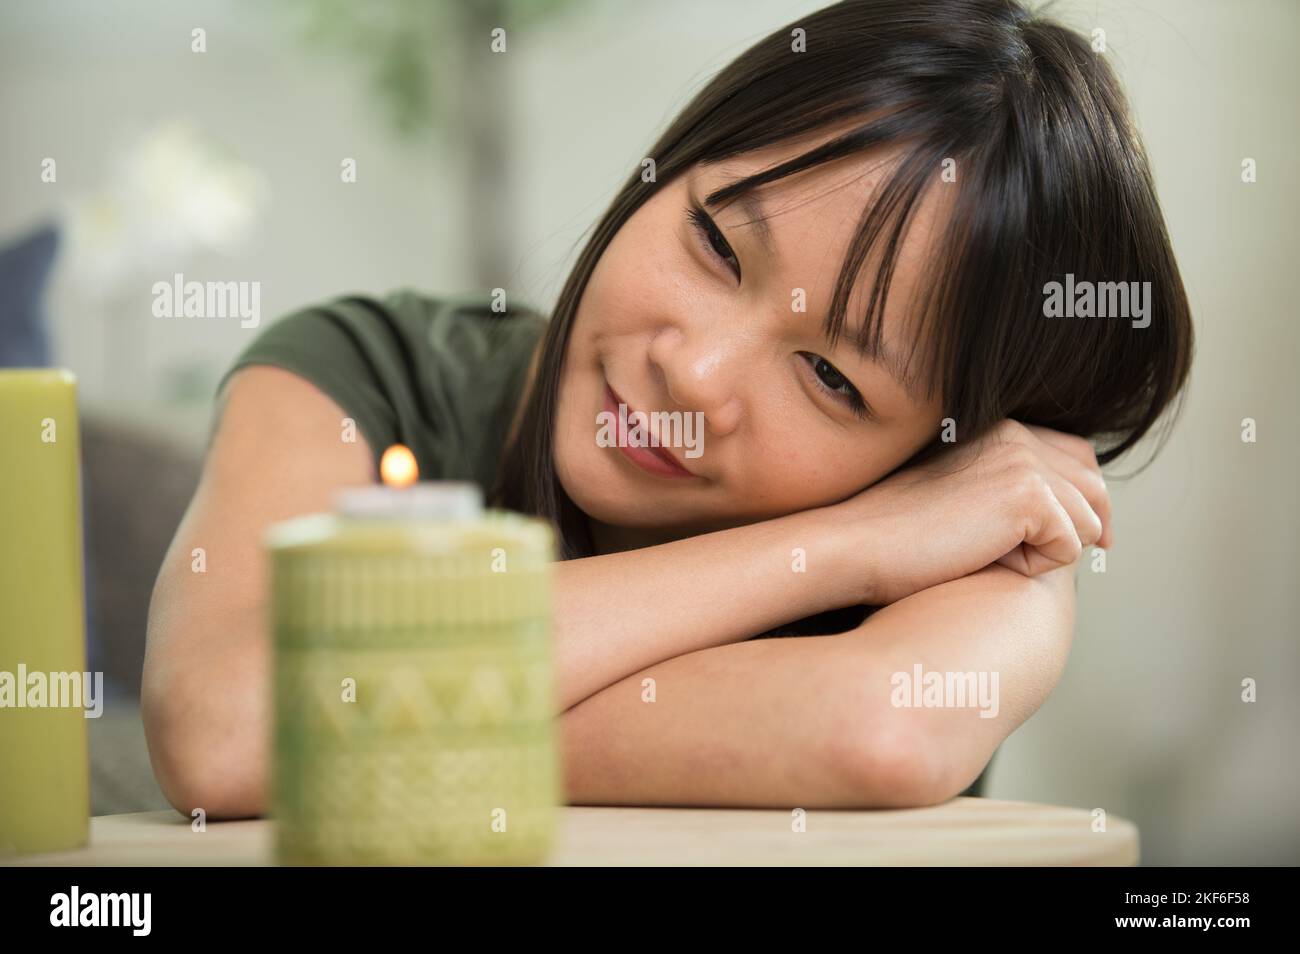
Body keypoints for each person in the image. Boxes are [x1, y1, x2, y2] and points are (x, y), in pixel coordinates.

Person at [143, 0, 1193, 818]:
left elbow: (882, 730)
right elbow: (225, 727)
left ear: (937, 446)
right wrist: (848, 542)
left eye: (832, 378)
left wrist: (357, 719)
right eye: (718, 244)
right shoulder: (366, 372)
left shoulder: (989, 515)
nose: (695, 376)